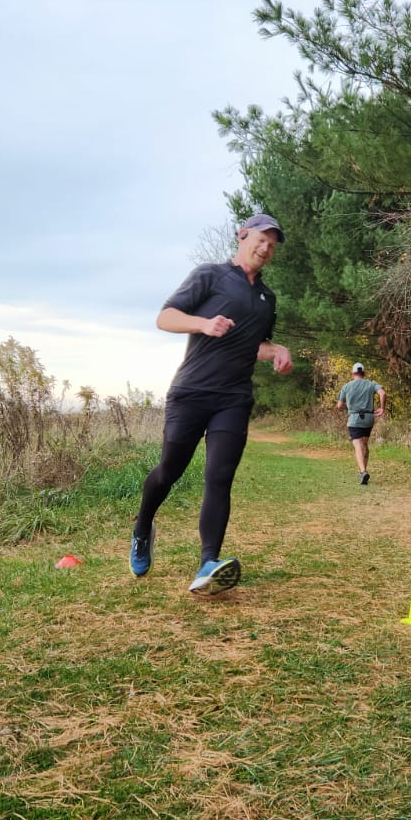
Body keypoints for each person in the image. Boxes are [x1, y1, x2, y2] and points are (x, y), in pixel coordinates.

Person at [129, 213, 292, 593]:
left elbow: (254, 345)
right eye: (261, 239)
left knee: (219, 476)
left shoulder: (267, 299)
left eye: (272, 244)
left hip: (233, 398)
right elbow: (165, 318)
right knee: (169, 470)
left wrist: (278, 351)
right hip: (191, 393)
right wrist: (202, 324)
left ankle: (208, 564)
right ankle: (142, 526)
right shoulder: (210, 275)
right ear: (242, 236)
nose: (266, 248)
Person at [336, 362, 385, 484]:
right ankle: (363, 471)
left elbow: (339, 405)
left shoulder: (346, 386)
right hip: (369, 417)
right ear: (364, 373)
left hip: (354, 418)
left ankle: (363, 471)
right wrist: (382, 407)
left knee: (357, 445)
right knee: (364, 444)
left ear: (353, 373)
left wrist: (350, 407)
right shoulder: (371, 384)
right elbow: (382, 393)